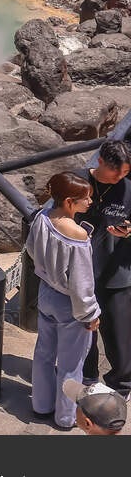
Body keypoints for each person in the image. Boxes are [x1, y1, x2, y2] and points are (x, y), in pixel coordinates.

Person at [26, 171, 100, 428]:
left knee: (44, 353)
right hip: (69, 303)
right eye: (85, 198)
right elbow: (82, 284)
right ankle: (66, 417)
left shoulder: (42, 218)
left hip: (45, 293)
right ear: (69, 202)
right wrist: (90, 314)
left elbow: (31, 251)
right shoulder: (78, 235)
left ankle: (41, 406)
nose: (90, 202)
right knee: (71, 364)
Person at [78, 141, 131, 394]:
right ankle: (87, 378)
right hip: (81, 274)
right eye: (116, 172)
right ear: (100, 162)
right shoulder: (77, 182)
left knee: (119, 336)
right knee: (84, 333)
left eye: (125, 172)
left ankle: (121, 386)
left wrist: (129, 231)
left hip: (117, 274)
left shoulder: (128, 189)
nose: (121, 177)